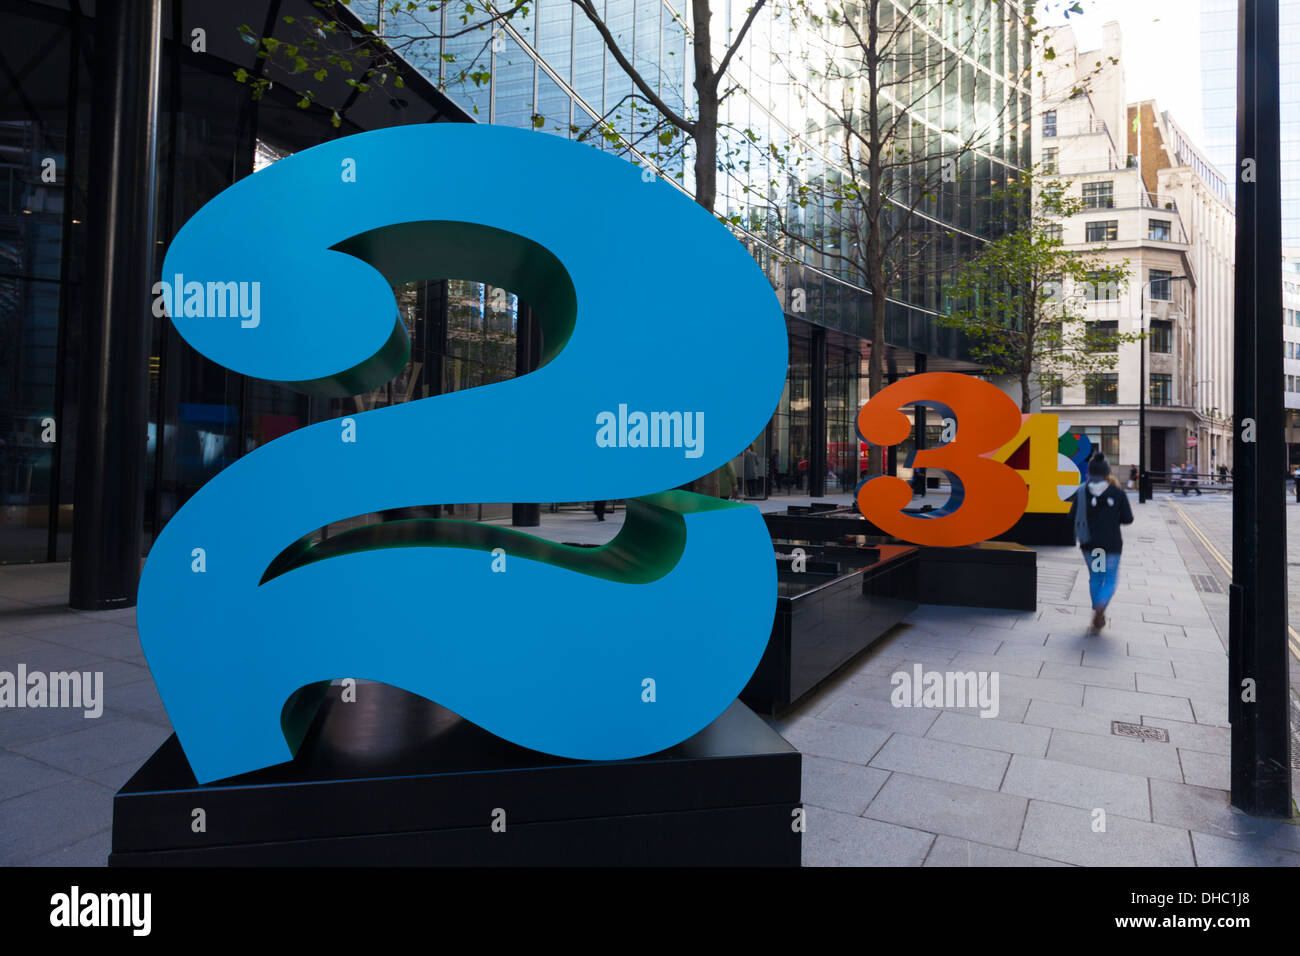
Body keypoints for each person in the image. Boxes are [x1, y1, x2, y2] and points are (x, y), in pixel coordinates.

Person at [1068, 454, 1134, 634]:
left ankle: (1097, 608)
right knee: (1111, 578)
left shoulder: (1081, 491)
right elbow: (1128, 519)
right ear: (1107, 473)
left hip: (1090, 544)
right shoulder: (1117, 493)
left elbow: (1071, 517)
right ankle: (1100, 608)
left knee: (1096, 577)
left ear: (1089, 472)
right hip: (1111, 543)